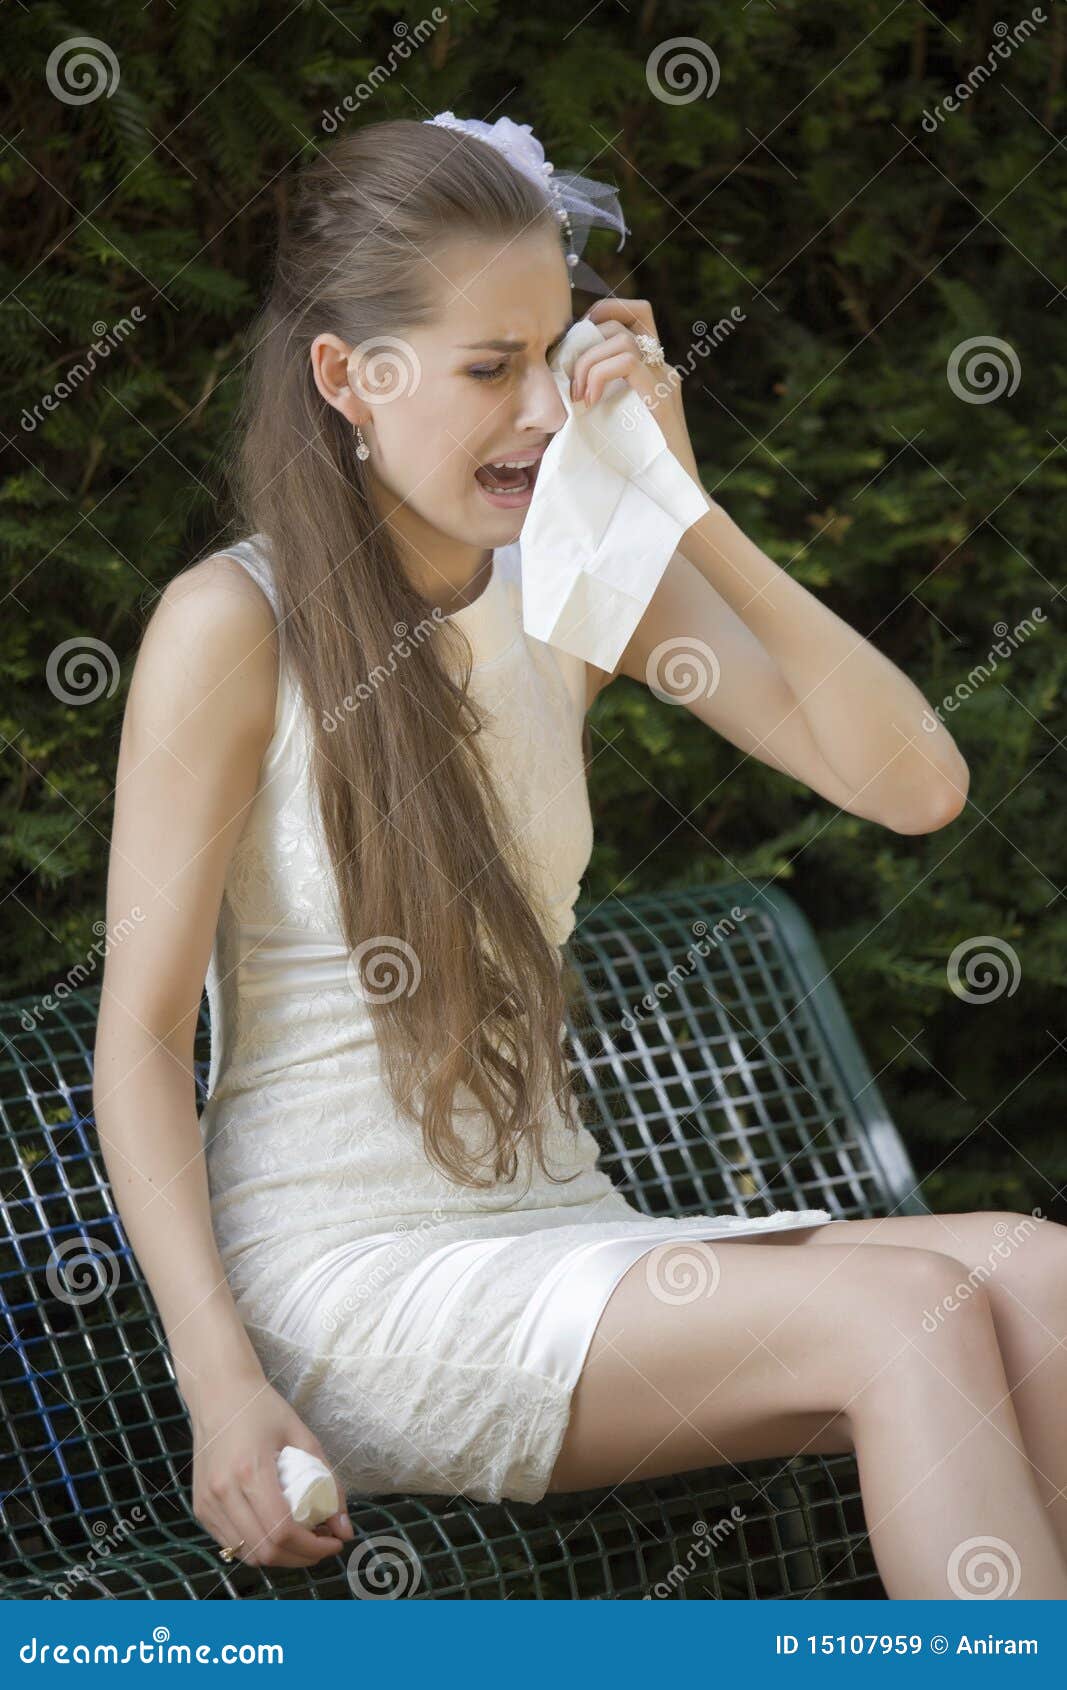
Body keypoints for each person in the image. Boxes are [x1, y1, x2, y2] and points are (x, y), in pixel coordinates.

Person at [92, 113, 1067, 1600]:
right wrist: (221, 1381)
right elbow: (143, 1043)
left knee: (1040, 1279)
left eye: (555, 353)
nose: (544, 410)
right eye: (491, 368)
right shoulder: (233, 628)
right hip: (351, 1293)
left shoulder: (566, 577)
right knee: (913, 1314)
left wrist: (681, 506)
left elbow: (915, 782)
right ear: (351, 378)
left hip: (566, 1243)